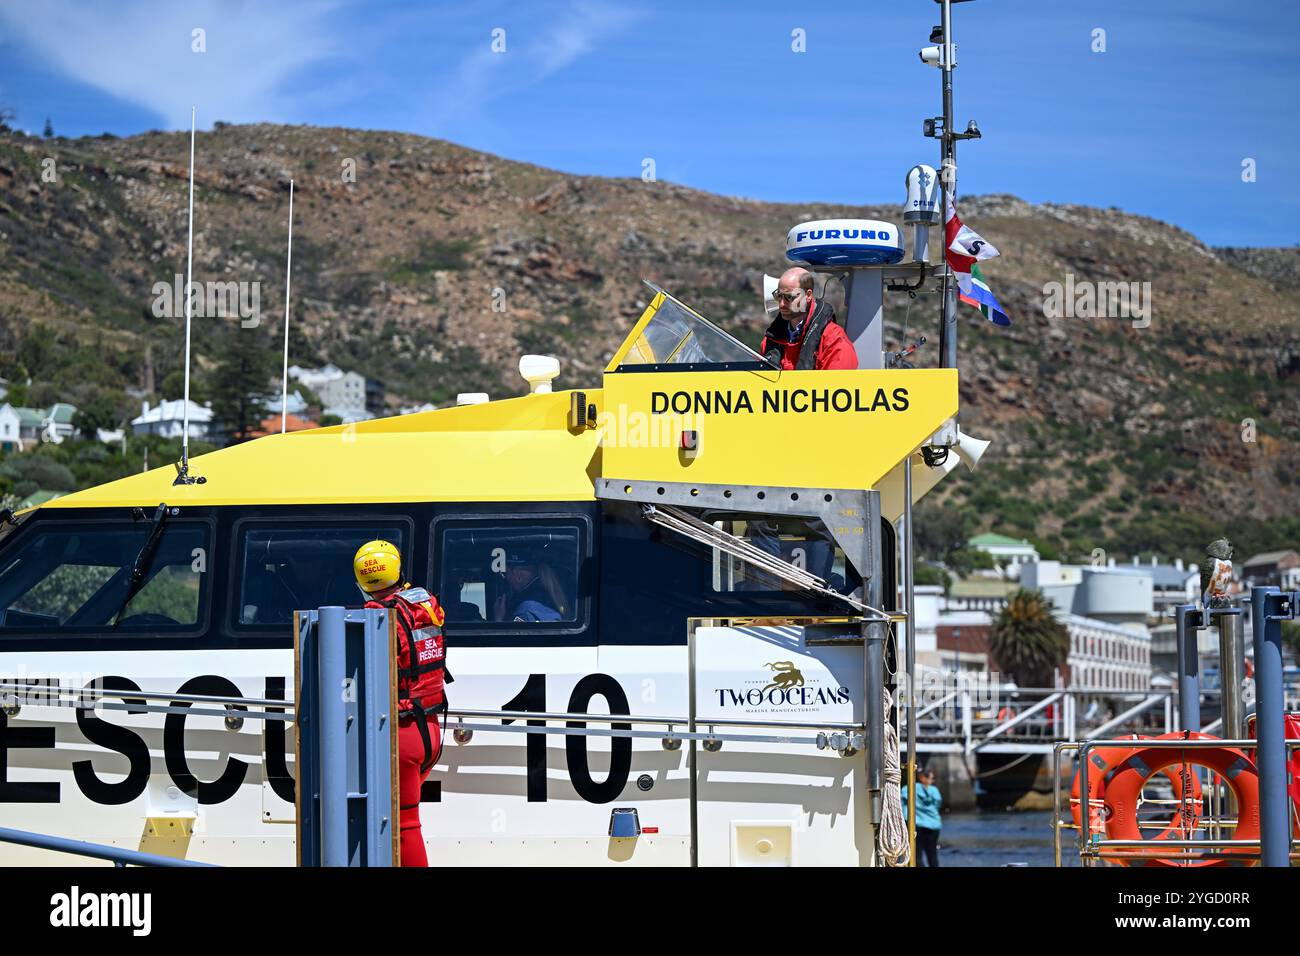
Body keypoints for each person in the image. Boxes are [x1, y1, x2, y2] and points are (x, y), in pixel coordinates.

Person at [353, 539, 447, 867]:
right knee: (395, 821)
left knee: (405, 825)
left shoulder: (376, 617)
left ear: (361, 581)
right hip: (431, 729)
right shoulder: (423, 603)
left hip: (403, 734)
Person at [759, 267, 858, 371]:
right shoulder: (770, 339)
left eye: (790, 297)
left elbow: (838, 384)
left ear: (808, 295)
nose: (782, 304)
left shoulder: (833, 339)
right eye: (778, 296)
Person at [493, 548, 567, 622]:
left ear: (519, 576)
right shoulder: (549, 596)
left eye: (505, 574)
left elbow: (515, 633)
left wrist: (499, 618)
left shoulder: (525, 611)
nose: (505, 578)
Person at [901, 767, 943, 867]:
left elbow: (901, 804)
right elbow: (938, 804)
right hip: (933, 826)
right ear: (923, 778)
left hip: (916, 825)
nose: (932, 781)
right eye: (931, 778)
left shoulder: (909, 788)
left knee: (916, 855)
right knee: (932, 854)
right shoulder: (934, 791)